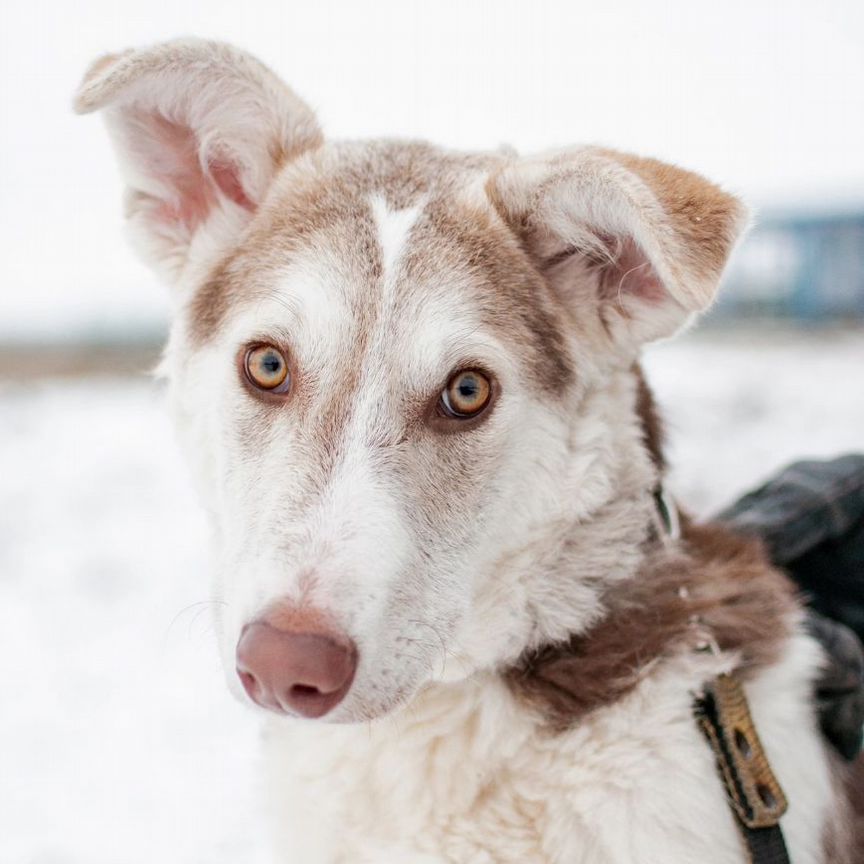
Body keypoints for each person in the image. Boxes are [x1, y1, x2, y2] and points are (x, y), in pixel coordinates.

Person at [718, 454, 864, 761]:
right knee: (844, 655)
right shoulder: (842, 487)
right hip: (733, 610)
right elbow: (719, 560)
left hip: (817, 692)